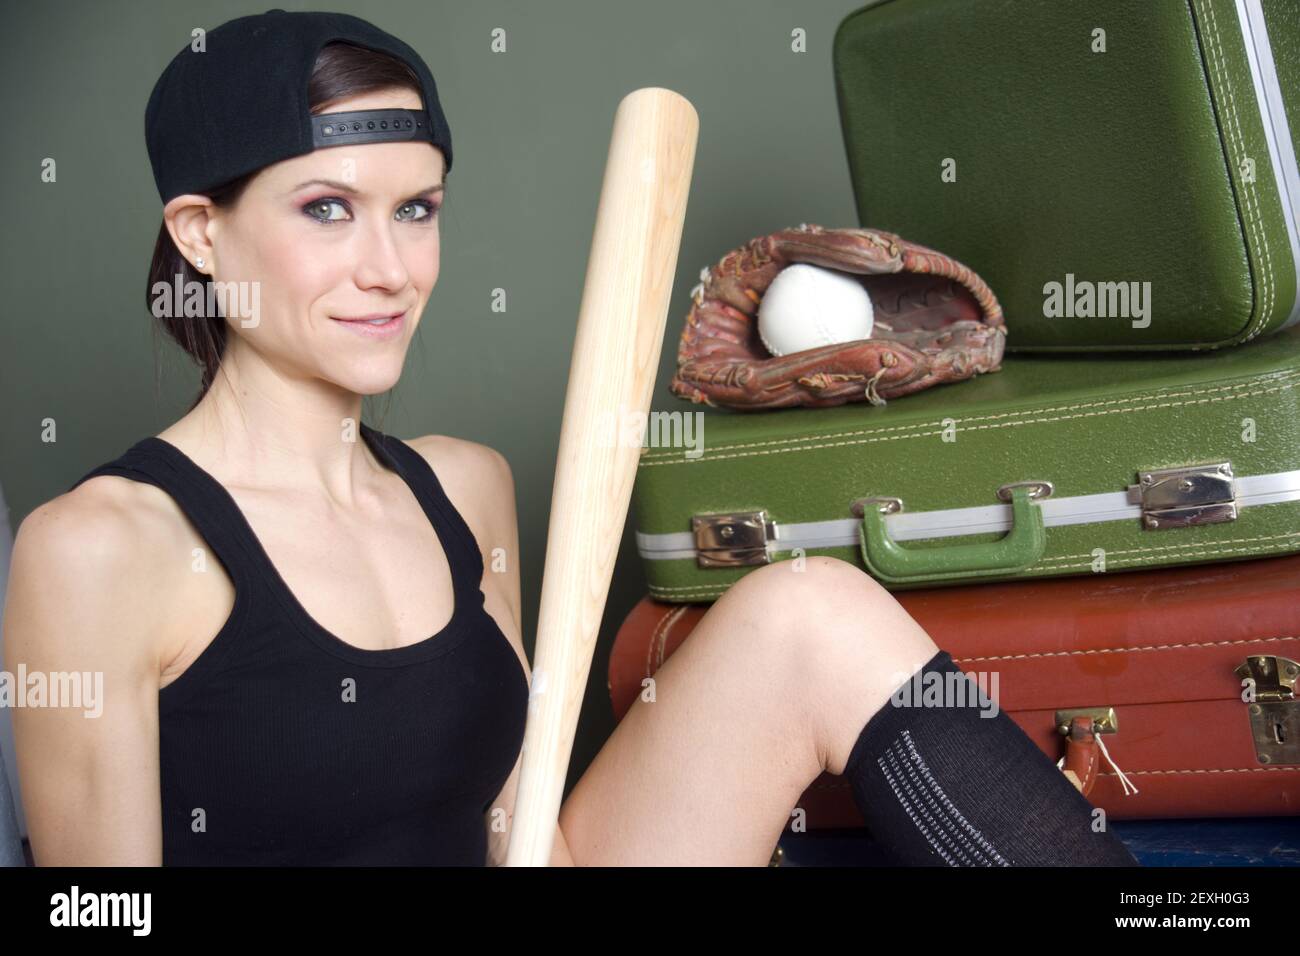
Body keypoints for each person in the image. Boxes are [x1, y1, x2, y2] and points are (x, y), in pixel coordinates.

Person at [2, 9, 1138, 867]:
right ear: (202, 234)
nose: (391, 268)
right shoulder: (100, 549)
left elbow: (516, 826)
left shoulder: (462, 487)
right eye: (327, 208)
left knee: (809, 614)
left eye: (417, 207)